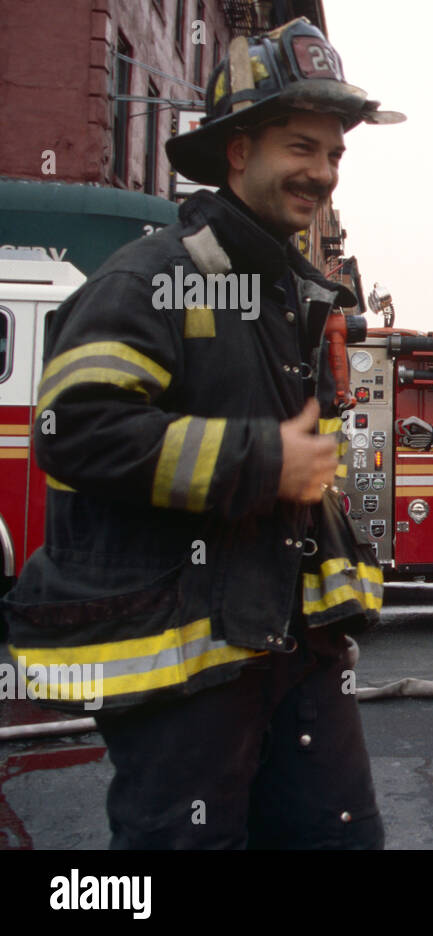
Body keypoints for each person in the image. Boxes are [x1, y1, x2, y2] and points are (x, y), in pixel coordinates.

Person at [1, 18, 402, 848]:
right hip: (186, 675)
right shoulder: (153, 277)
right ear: (237, 151)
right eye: (302, 147)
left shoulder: (289, 292)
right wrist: (265, 461)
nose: (322, 174)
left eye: (334, 156)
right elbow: (72, 427)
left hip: (292, 655)